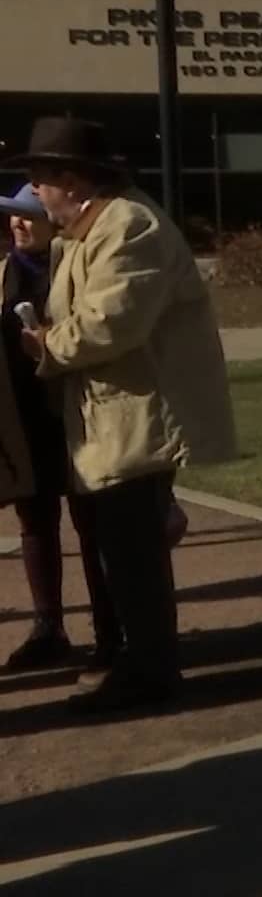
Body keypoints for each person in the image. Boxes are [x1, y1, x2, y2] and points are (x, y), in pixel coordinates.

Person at [11, 116, 237, 711]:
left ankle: (153, 672)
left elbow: (113, 321)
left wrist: (45, 345)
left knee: (132, 551)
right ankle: (140, 661)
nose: (35, 193)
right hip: (112, 417)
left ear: (75, 180)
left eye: (42, 179)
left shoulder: (129, 226)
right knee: (122, 549)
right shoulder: (90, 229)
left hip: (138, 416)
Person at [0, 184, 105, 671]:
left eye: (29, 216)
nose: (19, 225)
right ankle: (49, 626)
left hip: (76, 411)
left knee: (93, 521)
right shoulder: (3, 274)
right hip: (22, 416)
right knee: (35, 519)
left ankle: (111, 627)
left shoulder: (74, 267)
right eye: (13, 217)